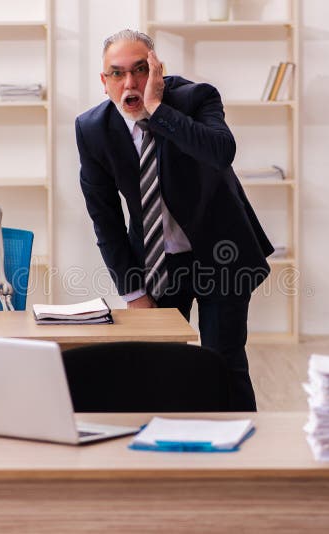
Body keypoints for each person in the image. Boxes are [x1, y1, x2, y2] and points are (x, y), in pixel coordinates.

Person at [75, 29, 273, 411]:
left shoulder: (196, 99)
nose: (130, 83)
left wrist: (157, 109)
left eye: (140, 69)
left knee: (223, 362)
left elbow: (221, 152)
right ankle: (166, 442)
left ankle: (243, 443)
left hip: (221, 253)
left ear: (158, 69)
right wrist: (133, 293)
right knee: (159, 367)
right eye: (117, 73)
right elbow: (105, 218)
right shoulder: (92, 129)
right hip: (156, 261)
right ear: (104, 81)